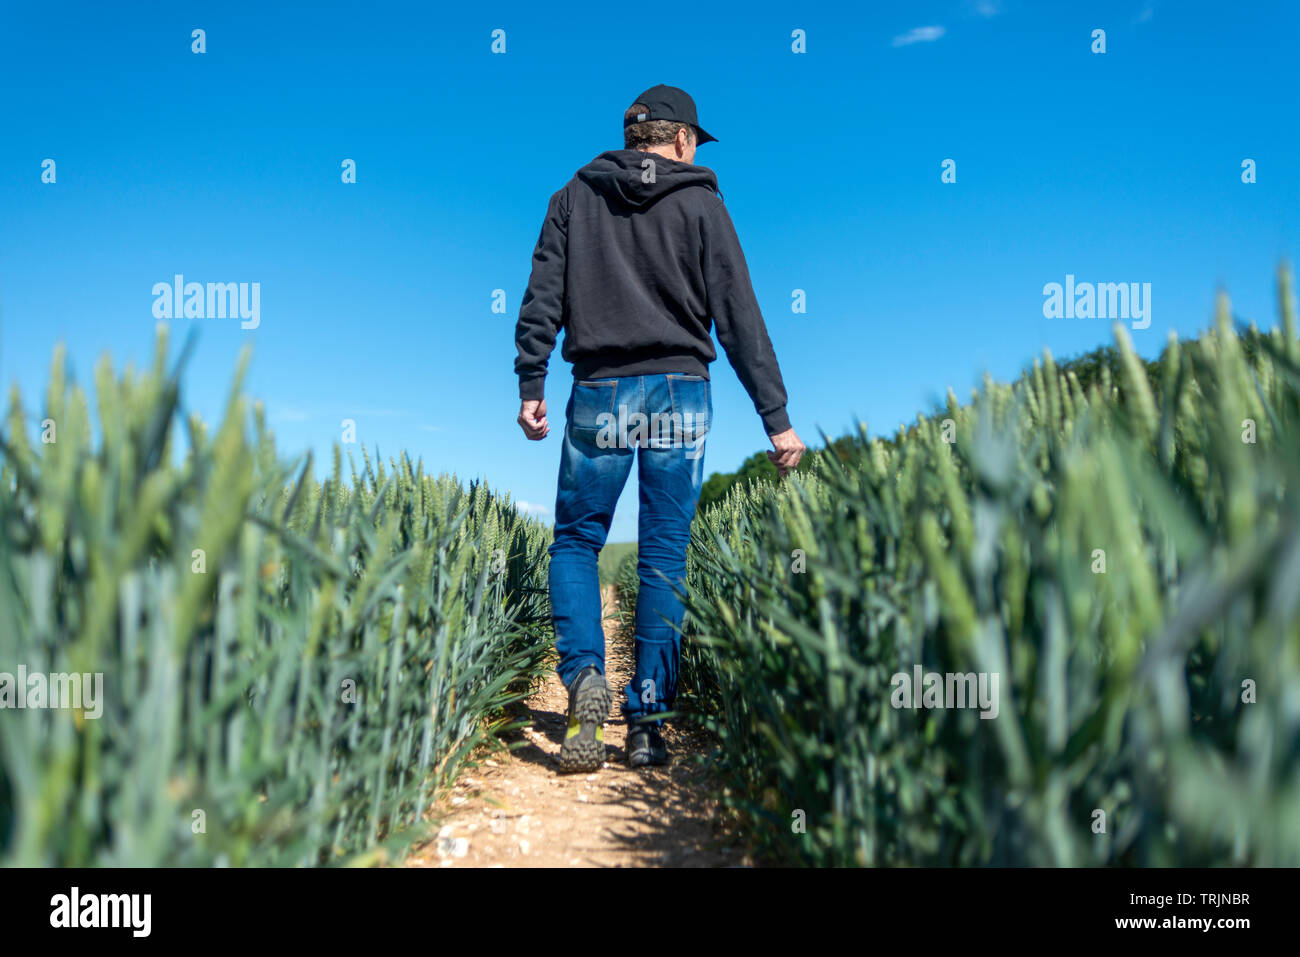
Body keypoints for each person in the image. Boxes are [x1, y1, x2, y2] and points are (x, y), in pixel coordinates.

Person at [514, 84, 805, 772]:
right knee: (664, 555)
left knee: (578, 541)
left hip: (599, 388)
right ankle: (646, 726)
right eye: (695, 142)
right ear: (680, 141)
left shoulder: (573, 198)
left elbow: (542, 294)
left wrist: (532, 381)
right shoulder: (702, 203)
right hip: (681, 390)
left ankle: (586, 677)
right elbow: (740, 315)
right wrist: (778, 418)